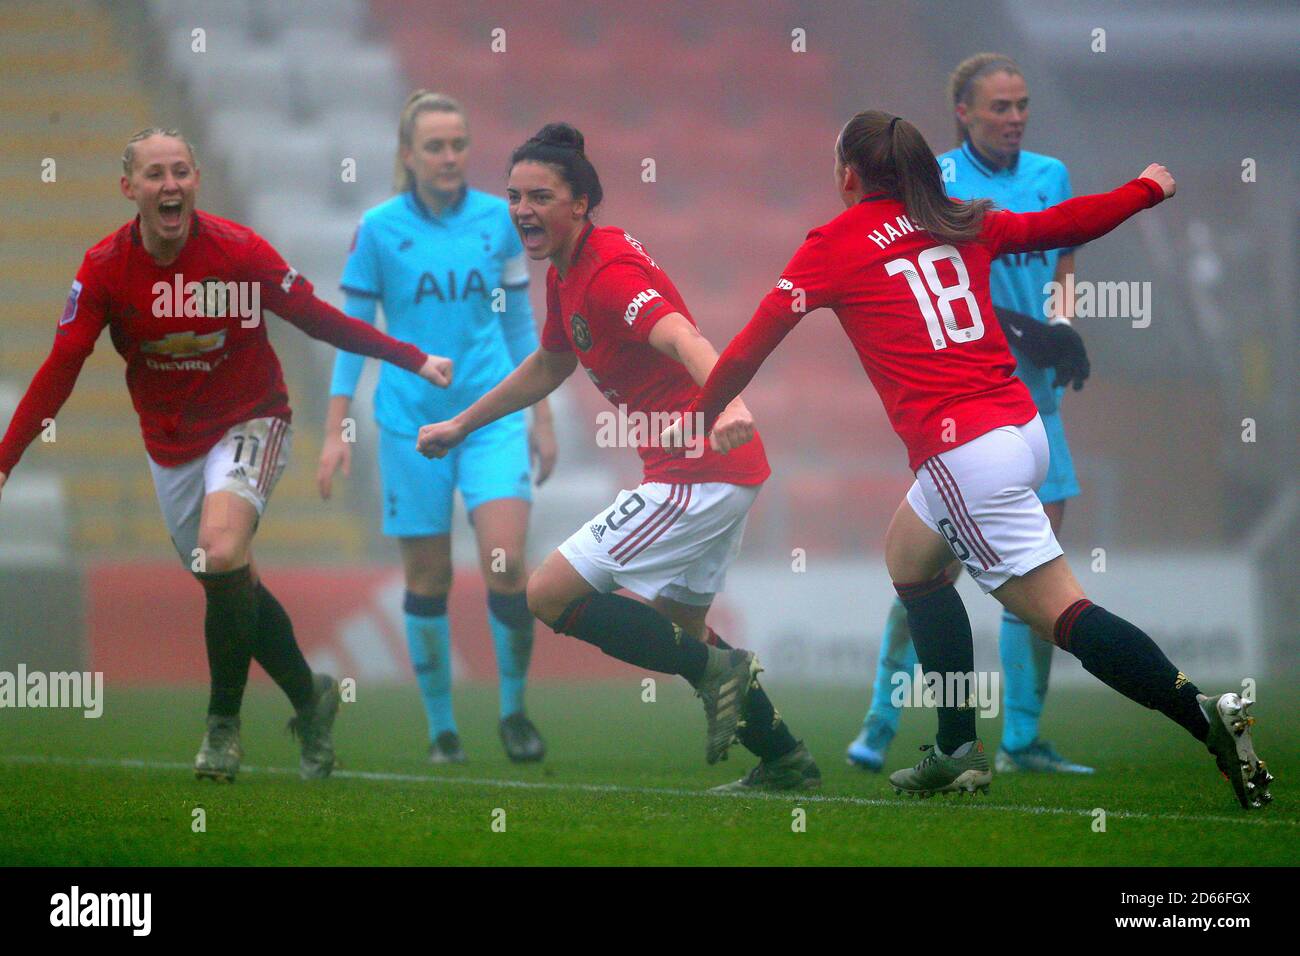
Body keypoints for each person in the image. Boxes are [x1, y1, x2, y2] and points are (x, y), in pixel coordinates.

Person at [683, 110, 1271, 809]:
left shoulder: (833, 244)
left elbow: (748, 347)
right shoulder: (962, 219)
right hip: (1020, 429)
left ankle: (1203, 715)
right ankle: (957, 749)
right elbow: (1061, 225)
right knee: (910, 559)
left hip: (963, 454)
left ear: (848, 176)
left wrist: (699, 414)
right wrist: (1143, 189)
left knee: (1061, 613)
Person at [0, 128, 453, 783]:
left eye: (181, 172)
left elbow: (317, 317)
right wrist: (6, 458)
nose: (171, 186)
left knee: (219, 550)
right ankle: (310, 698)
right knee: (228, 579)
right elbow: (62, 366)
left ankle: (222, 728)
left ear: (196, 180)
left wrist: (411, 358)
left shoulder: (237, 251)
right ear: (129, 188)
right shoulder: (104, 268)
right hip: (171, 447)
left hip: (252, 420)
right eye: (155, 174)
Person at [416, 123, 820, 791]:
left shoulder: (605, 272)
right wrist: (462, 424)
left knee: (547, 594)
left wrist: (730, 406)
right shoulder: (566, 272)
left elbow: (682, 336)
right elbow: (550, 364)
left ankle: (718, 672)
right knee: (684, 627)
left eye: (540, 197)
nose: (522, 210)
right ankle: (784, 758)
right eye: (514, 196)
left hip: (700, 469)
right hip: (717, 472)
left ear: (580, 203)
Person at [848, 53, 1094, 775]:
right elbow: (939, 280)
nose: (1015, 118)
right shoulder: (940, 182)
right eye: (1000, 107)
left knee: (1037, 576)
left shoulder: (1050, 175)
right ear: (963, 112)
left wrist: (1062, 324)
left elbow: (1064, 257)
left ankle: (1021, 741)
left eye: (1022, 105)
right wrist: (1021, 327)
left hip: (1035, 404)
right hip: (968, 402)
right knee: (930, 572)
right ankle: (880, 720)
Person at [318, 92, 554, 765]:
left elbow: (517, 322)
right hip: (409, 424)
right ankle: (442, 729)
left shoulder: (498, 220)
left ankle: (513, 713)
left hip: (490, 417)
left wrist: (540, 415)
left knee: (505, 564)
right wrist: (335, 430)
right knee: (428, 578)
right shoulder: (377, 229)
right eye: (435, 146)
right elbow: (353, 334)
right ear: (408, 154)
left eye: (458, 144)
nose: (449, 157)